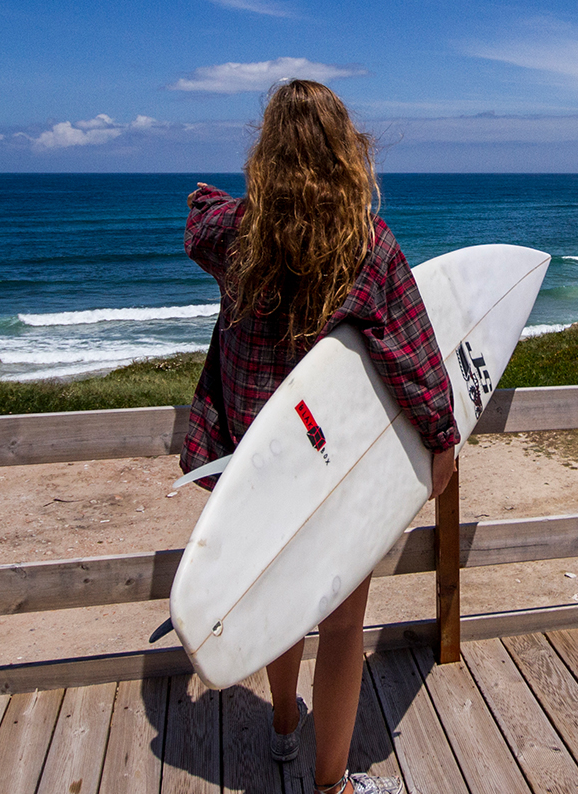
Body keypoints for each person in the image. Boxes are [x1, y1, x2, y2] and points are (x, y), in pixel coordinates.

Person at [181, 79, 459, 794]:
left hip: (256, 461)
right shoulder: (368, 245)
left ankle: (281, 730)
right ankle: (331, 783)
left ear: (266, 153)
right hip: (332, 468)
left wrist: (219, 198)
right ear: (347, 151)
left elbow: (197, 223)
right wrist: (442, 441)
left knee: (278, 599)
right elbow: (415, 357)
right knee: (339, 626)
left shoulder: (239, 236)